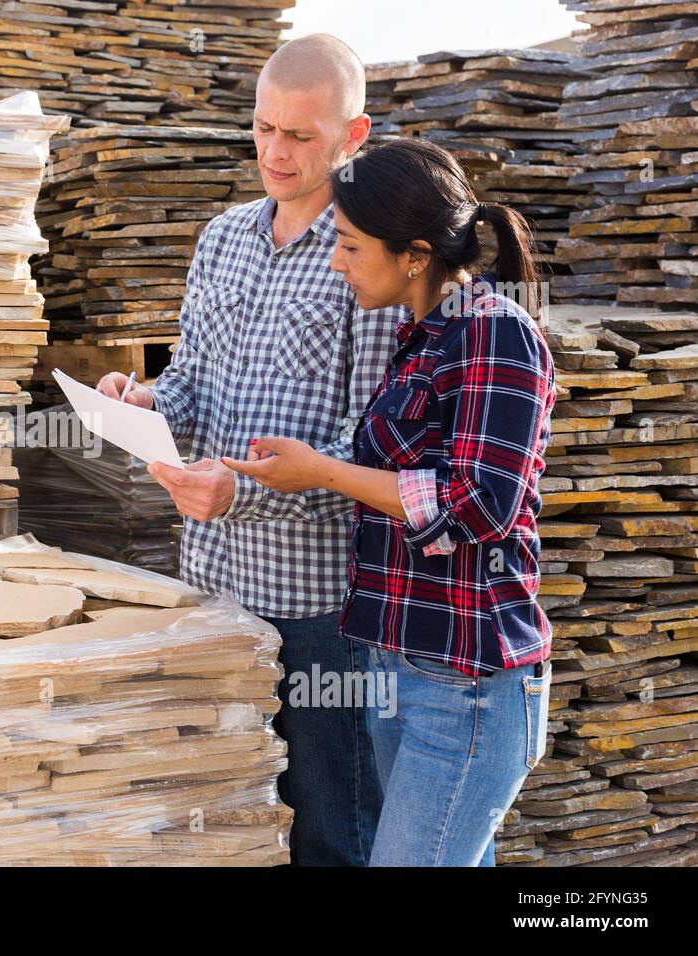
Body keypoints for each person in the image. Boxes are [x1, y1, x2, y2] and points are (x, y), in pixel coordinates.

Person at [95, 34, 404, 866]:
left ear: (354, 133)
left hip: (322, 611)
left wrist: (243, 494)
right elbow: (196, 383)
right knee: (223, 815)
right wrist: (148, 399)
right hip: (211, 584)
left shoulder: (369, 256)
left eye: (300, 136)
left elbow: (366, 447)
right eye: (263, 128)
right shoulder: (222, 238)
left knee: (332, 831)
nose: (275, 151)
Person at [223, 137, 556, 866]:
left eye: (347, 244)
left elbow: (481, 503)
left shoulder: (495, 332)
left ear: (412, 252)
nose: (335, 261)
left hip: (467, 685)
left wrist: (324, 473)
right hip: (400, 668)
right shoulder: (421, 338)